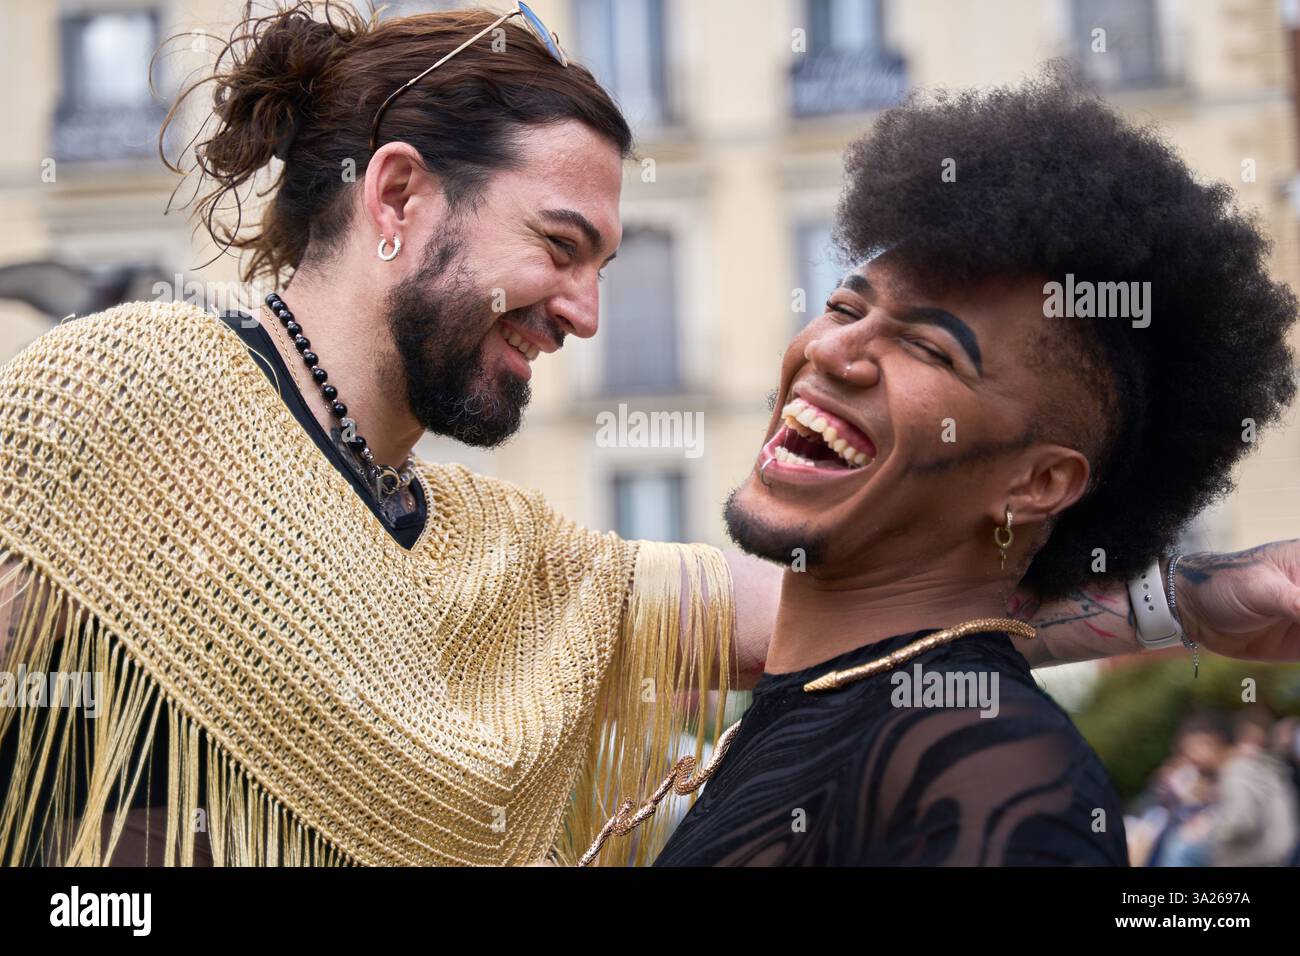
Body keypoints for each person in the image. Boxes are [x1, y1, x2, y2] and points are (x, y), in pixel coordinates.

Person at [2, 6, 1300, 868]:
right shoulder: (140, 391)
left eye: (611, 264)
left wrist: (1190, 598)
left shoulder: (488, 544)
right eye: (561, 247)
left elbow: (822, 619)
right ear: (397, 194)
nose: (583, 313)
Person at [645, 73, 1300, 866]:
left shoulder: (992, 771)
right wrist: (1180, 599)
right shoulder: (817, 699)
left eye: (928, 348)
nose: (830, 350)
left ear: (1037, 485)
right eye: (846, 308)